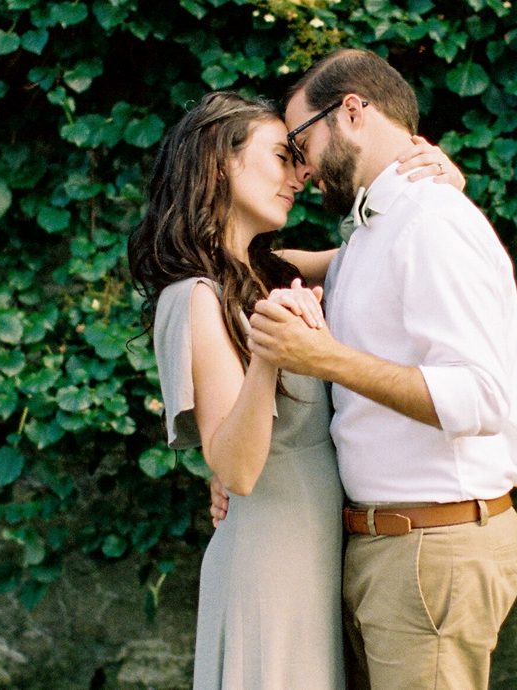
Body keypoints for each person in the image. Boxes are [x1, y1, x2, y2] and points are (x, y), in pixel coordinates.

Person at [127, 91, 465, 690]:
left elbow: (392, 247)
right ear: (219, 163)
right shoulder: (195, 296)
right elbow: (237, 469)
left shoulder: (271, 272)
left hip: (322, 558)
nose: (301, 174)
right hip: (270, 569)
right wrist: (270, 358)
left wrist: (437, 187)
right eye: (282, 156)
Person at [242, 49, 517, 689]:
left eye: (301, 141)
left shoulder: (431, 224)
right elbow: (304, 265)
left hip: (432, 547)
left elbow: (479, 399)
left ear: (352, 112)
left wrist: (323, 359)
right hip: (392, 547)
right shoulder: (375, 227)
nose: (299, 165)